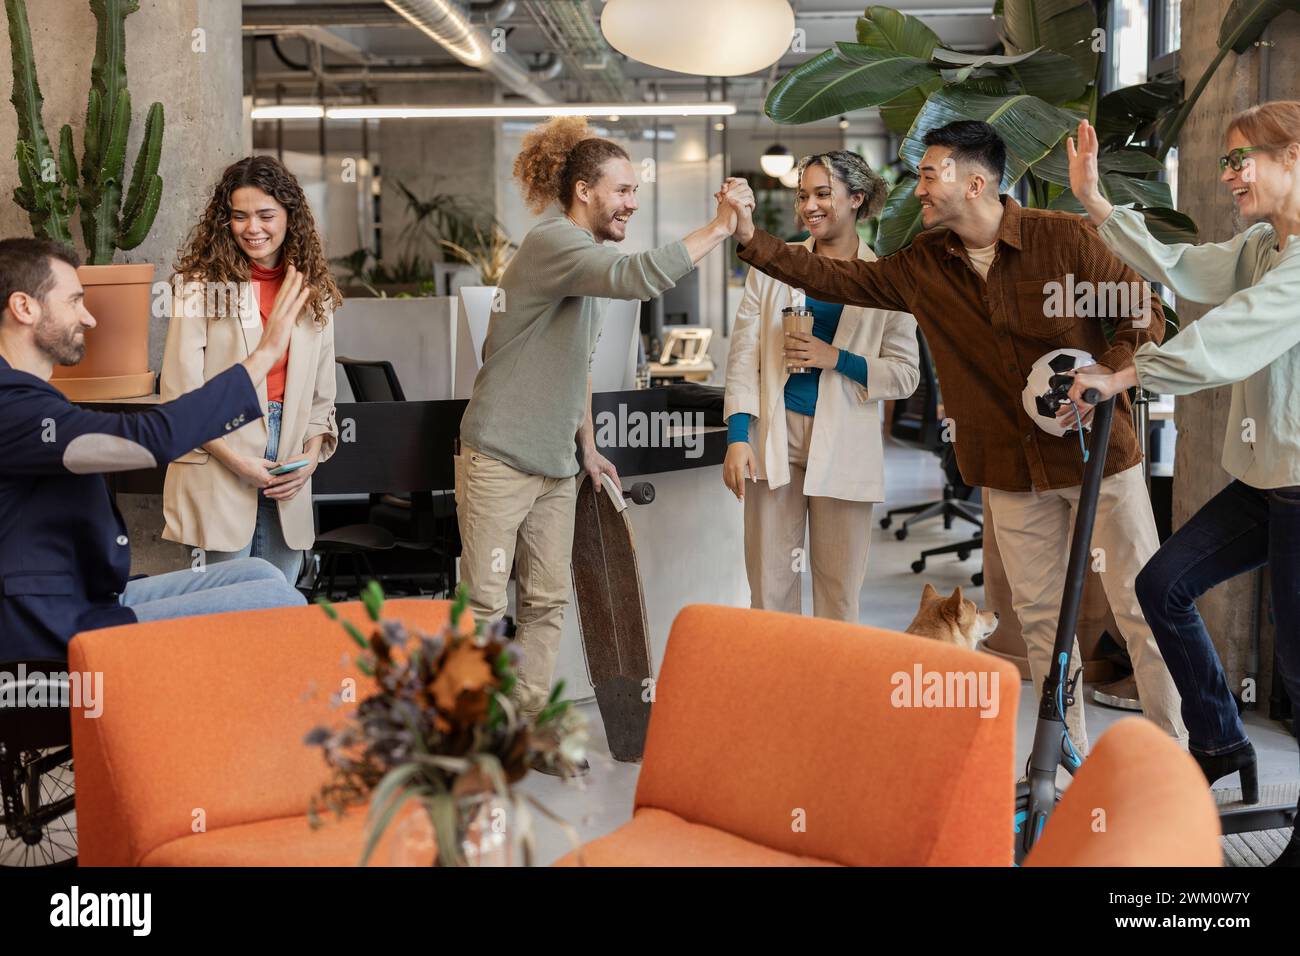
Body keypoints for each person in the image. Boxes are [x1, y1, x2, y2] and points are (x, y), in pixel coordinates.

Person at [721, 120, 1187, 757]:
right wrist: (750, 239)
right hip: (1009, 471)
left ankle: (1171, 754)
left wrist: (1112, 370)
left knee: (1140, 606)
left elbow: (1143, 312)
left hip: (1098, 457)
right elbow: (835, 279)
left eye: (928, 173)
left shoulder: (1067, 240)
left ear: (975, 182)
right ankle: (1065, 759)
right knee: (1043, 622)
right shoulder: (922, 266)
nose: (917, 190)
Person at [455, 117, 753, 766]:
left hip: (557, 464)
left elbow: (580, 364)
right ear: (585, 190)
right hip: (500, 458)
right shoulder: (554, 243)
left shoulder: (578, 260)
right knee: (483, 603)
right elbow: (640, 277)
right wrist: (721, 228)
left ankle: (523, 734)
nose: (633, 202)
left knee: (546, 602)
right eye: (622, 190)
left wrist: (586, 445)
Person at [1066, 104, 1300, 866]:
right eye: (1225, 162)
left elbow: (1229, 339)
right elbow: (1193, 267)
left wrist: (1130, 372)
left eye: (1242, 161)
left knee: (1298, 668)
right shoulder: (1268, 244)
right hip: (1268, 481)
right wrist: (1099, 203)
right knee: (1162, 583)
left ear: (1293, 156)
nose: (1228, 176)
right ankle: (1223, 744)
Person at [0, 237, 307, 662]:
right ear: (24, 307)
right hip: (49, 627)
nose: (88, 318)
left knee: (262, 573)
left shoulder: (27, 397)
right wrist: (265, 354)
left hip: (83, 600)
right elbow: (150, 439)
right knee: (282, 605)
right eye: (73, 301)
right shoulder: (10, 406)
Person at [723, 150, 919, 621]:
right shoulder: (776, 265)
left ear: (856, 198)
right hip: (776, 434)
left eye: (822, 194)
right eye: (803, 195)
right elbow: (744, 354)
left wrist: (838, 359)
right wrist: (737, 437)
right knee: (769, 586)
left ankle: (833, 690)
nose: (809, 205)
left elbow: (906, 374)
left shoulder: (887, 279)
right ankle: (778, 690)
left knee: (838, 591)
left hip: (844, 440)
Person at [161, 156, 342, 586]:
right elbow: (179, 395)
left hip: (289, 463)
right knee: (221, 610)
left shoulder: (312, 291)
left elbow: (322, 401)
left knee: (278, 605)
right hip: (221, 452)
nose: (252, 228)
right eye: (239, 216)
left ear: (289, 217)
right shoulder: (199, 286)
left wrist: (310, 460)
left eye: (265, 215)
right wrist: (236, 461)